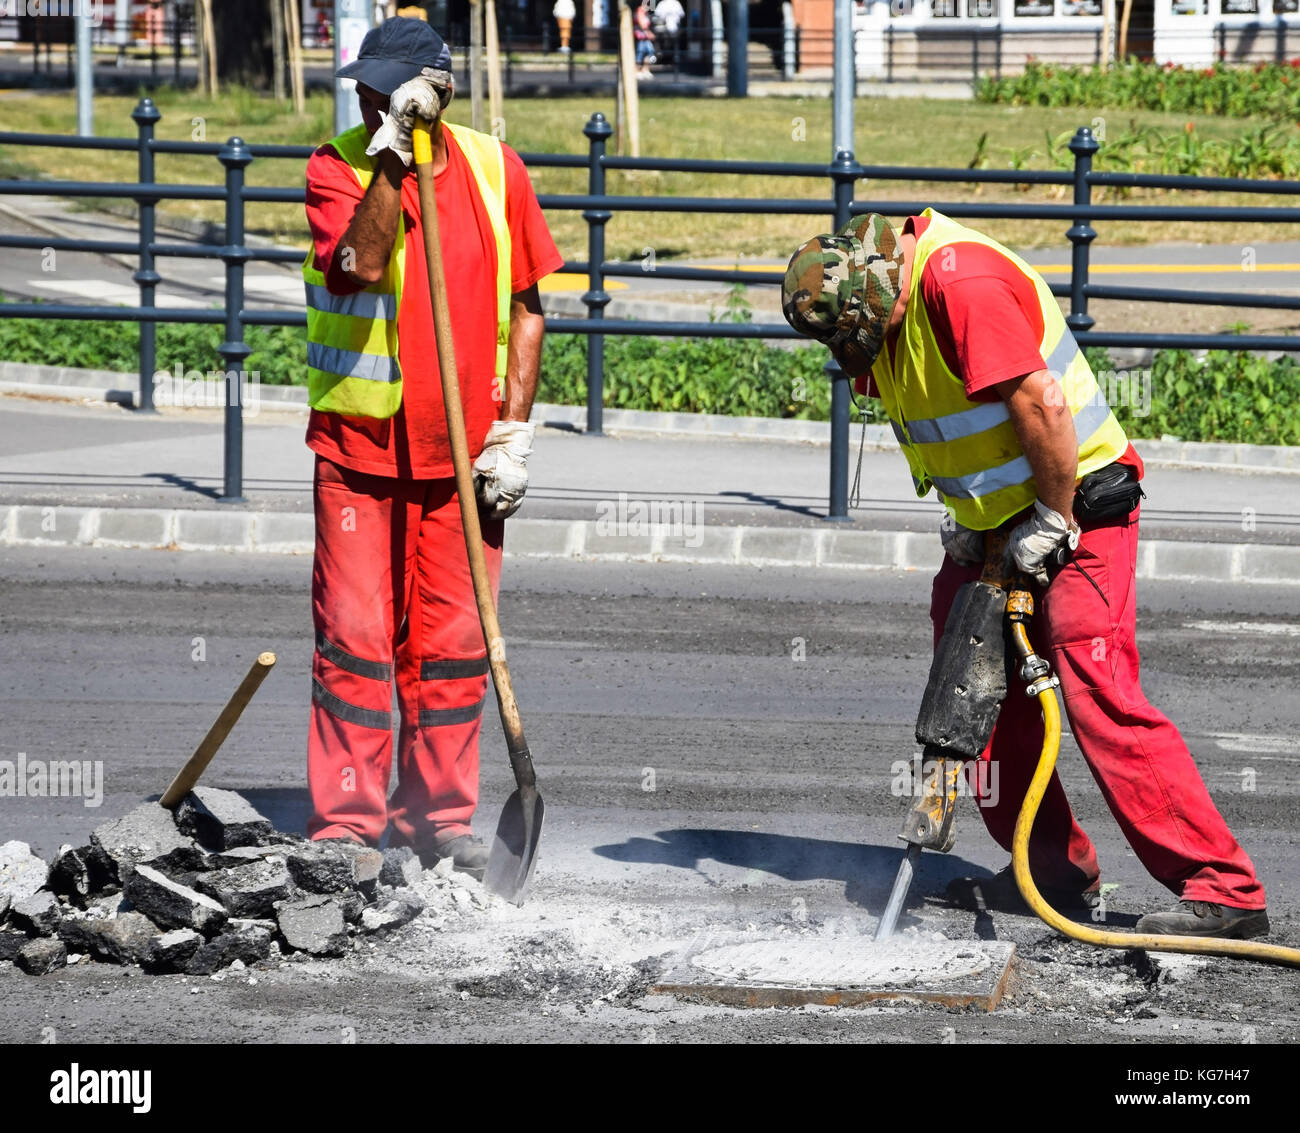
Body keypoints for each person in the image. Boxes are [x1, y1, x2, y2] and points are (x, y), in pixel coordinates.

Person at [781, 209, 1270, 939]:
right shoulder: (874, 284)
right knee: (970, 690)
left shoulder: (960, 283)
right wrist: (970, 515)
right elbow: (934, 405)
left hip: (1079, 501)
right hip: (992, 524)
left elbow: (1042, 402)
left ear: (883, 296)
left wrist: (1051, 517)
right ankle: (1054, 872)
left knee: (1094, 684)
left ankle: (1223, 891)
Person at [301, 18, 563, 876]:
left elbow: (528, 304)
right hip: (359, 453)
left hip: (463, 460)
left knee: (453, 647)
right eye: (365, 85)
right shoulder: (338, 165)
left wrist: (514, 433)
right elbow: (363, 263)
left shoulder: (496, 169)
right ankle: (346, 822)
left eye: (388, 86)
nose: (368, 96)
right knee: (356, 638)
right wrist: (390, 156)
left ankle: (440, 816)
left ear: (439, 90)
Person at [633, 0, 656, 77]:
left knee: (650, 52)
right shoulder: (640, 11)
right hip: (641, 36)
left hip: (645, 37)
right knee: (640, 52)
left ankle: (645, 69)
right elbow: (642, 25)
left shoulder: (646, 13)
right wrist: (649, 33)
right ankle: (637, 70)